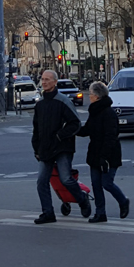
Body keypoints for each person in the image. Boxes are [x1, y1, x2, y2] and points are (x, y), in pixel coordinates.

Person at [31, 69, 89, 223]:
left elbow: (75, 123)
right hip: (45, 148)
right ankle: (48, 213)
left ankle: (82, 199)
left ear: (55, 82)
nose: (44, 82)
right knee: (41, 181)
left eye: (47, 79)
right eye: (42, 79)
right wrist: (36, 148)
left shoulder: (63, 101)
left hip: (63, 147)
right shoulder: (40, 105)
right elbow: (36, 129)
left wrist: (60, 135)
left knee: (66, 179)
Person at [76, 80, 129, 222]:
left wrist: (104, 157)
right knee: (96, 184)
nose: (89, 96)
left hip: (108, 154)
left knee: (106, 183)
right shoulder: (95, 111)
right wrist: (74, 130)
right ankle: (100, 213)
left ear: (98, 96)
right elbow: (88, 129)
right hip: (95, 152)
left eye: (91, 94)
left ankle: (123, 201)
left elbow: (111, 136)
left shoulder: (108, 113)